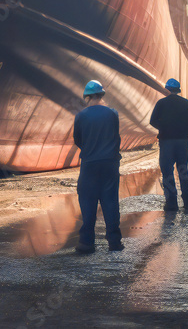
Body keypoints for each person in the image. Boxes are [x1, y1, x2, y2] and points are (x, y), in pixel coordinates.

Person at [72, 80, 123, 254]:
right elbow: (116, 138)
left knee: (87, 201)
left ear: (87, 97)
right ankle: (114, 242)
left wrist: (90, 150)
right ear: (102, 95)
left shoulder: (81, 116)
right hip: (110, 163)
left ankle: (86, 243)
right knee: (110, 202)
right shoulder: (112, 114)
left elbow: (78, 140)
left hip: (89, 164)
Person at [149, 78, 188, 211]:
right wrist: (186, 136)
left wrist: (163, 128)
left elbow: (152, 121)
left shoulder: (161, 103)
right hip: (182, 142)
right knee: (183, 170)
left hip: (167, 142)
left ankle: (171, 203)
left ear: (167, 89)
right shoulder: (186, 104)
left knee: (167, 172)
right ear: (178, 90)